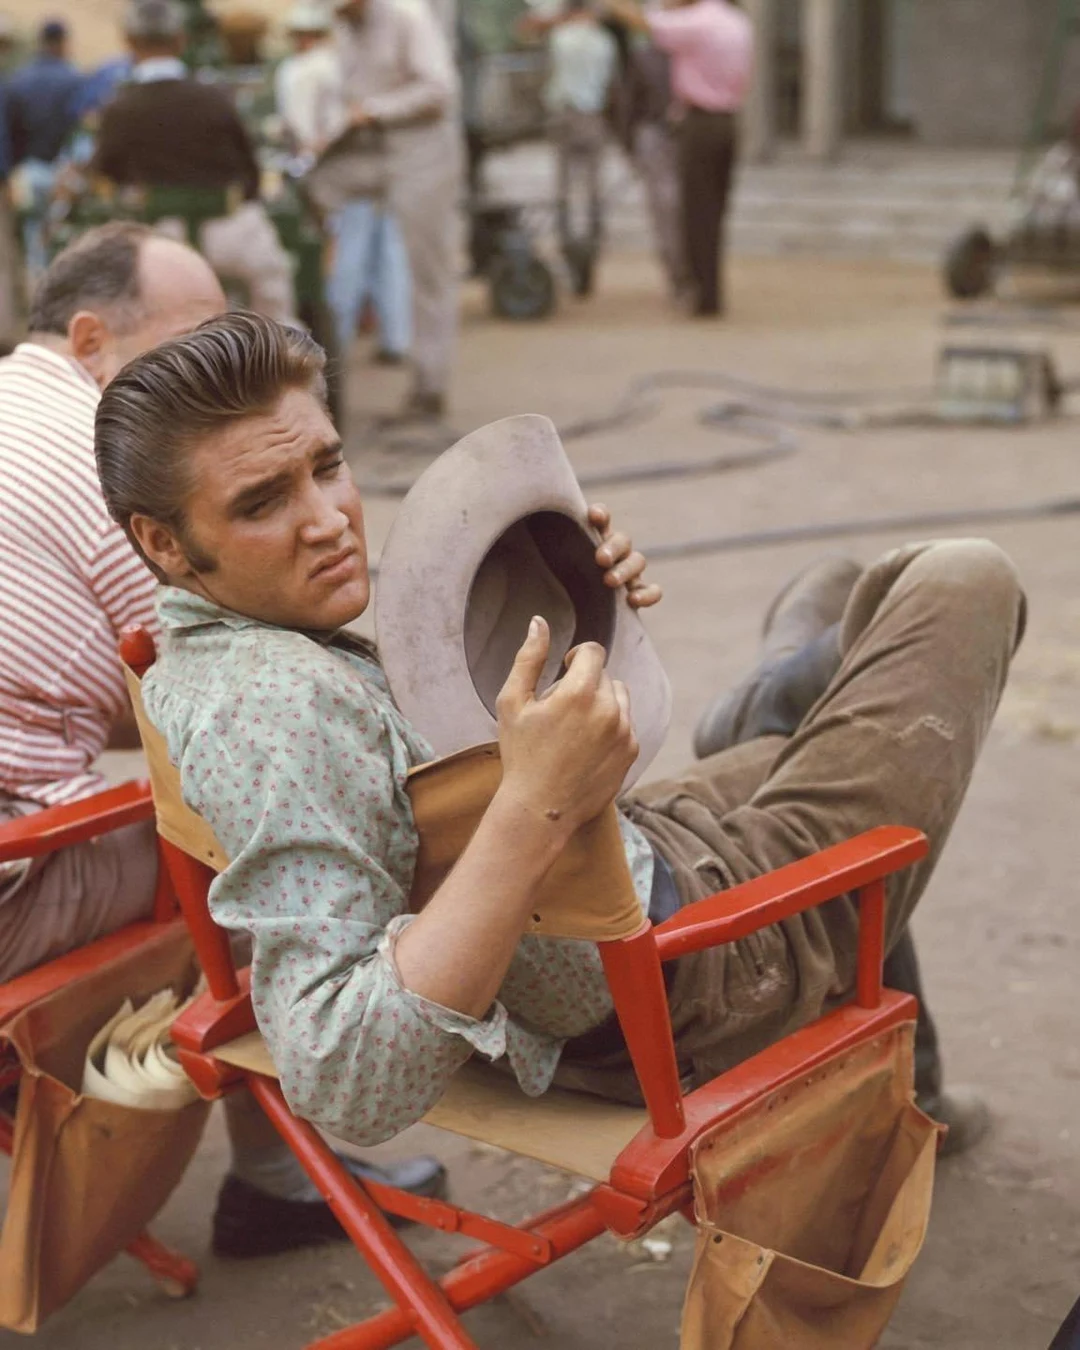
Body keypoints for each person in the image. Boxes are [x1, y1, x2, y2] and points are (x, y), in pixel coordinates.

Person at [96, 311, 1023, 1155]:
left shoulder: (210, 646)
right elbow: (344, 1083)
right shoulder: (275, 710)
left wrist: (571, 590)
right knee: (956, 579)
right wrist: (537, 806)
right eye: (262, 503)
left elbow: (407, 784)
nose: (327, 521)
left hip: (628, 869)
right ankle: (777, 719)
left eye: (327, 466)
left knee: (829, 593)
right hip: (698, 973)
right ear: (164, 542)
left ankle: (777, 720)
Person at [0, 226, 442, 1257]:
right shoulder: (101, 456)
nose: (219, 363)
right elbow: (200, 658)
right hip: (14, 880)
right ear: (93, 337)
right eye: (197, 336)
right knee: (260, 803)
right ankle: (282, 1173)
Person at [91, 0, 297, 324]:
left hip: (161, 237)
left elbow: (107, 171)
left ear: (129, 42)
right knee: (280, 323)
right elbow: (250, 169)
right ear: (180, 40)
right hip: (232, 232)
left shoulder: (119, 108)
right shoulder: (215, 97)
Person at [331, 0, 461, 423]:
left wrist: (373, 109)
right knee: (309, 202)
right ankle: (315, 371)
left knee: (428, 269)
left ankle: (430, 385)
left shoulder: (407, 16)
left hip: (421, 149)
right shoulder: (344, 27)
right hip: (368, 148)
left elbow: (440, 90)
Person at [276, 1, 411, 366]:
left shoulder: (303, 69)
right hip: (383, 170)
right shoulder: (341, 62)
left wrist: (311, 151)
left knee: (347, 256)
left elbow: (309, 131)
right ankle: (395, 337)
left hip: (346, 175)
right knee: (388, 254)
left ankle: (340, 339)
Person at [610, 0, 751, 317]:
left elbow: (646, 23)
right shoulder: (737, 22)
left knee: (696, 213)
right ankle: (711, 290)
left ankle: (702, 294)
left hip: (700, 123)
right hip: (729, 120)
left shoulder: (698, 22)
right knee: (715, 212)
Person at [608, 31, 687, 299]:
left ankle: (680, 270)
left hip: (672, 136)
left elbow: (627, 105)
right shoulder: (650, 56)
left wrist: (628, 145)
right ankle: (679, 270)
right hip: (660, 135)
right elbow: (628, 104)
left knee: (666, 206)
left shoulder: (681, 54)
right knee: (669, 205)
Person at [542, 0, 618, 268]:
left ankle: (564, 231)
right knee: (594, 179)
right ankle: (595, 231)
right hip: (592, 113)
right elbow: (610, 79)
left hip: (564, 111)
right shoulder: (603, 41)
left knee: (563, 178)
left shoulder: (560, 37)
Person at [6, 20, 84, 279]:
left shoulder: (19, 79)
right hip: (66, 168)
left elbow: (11, 129)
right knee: (62, 233)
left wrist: (14, 167)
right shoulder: (74, 78)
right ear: (62, 42)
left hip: (31, 167)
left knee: (33, 234)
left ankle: (36, 286)